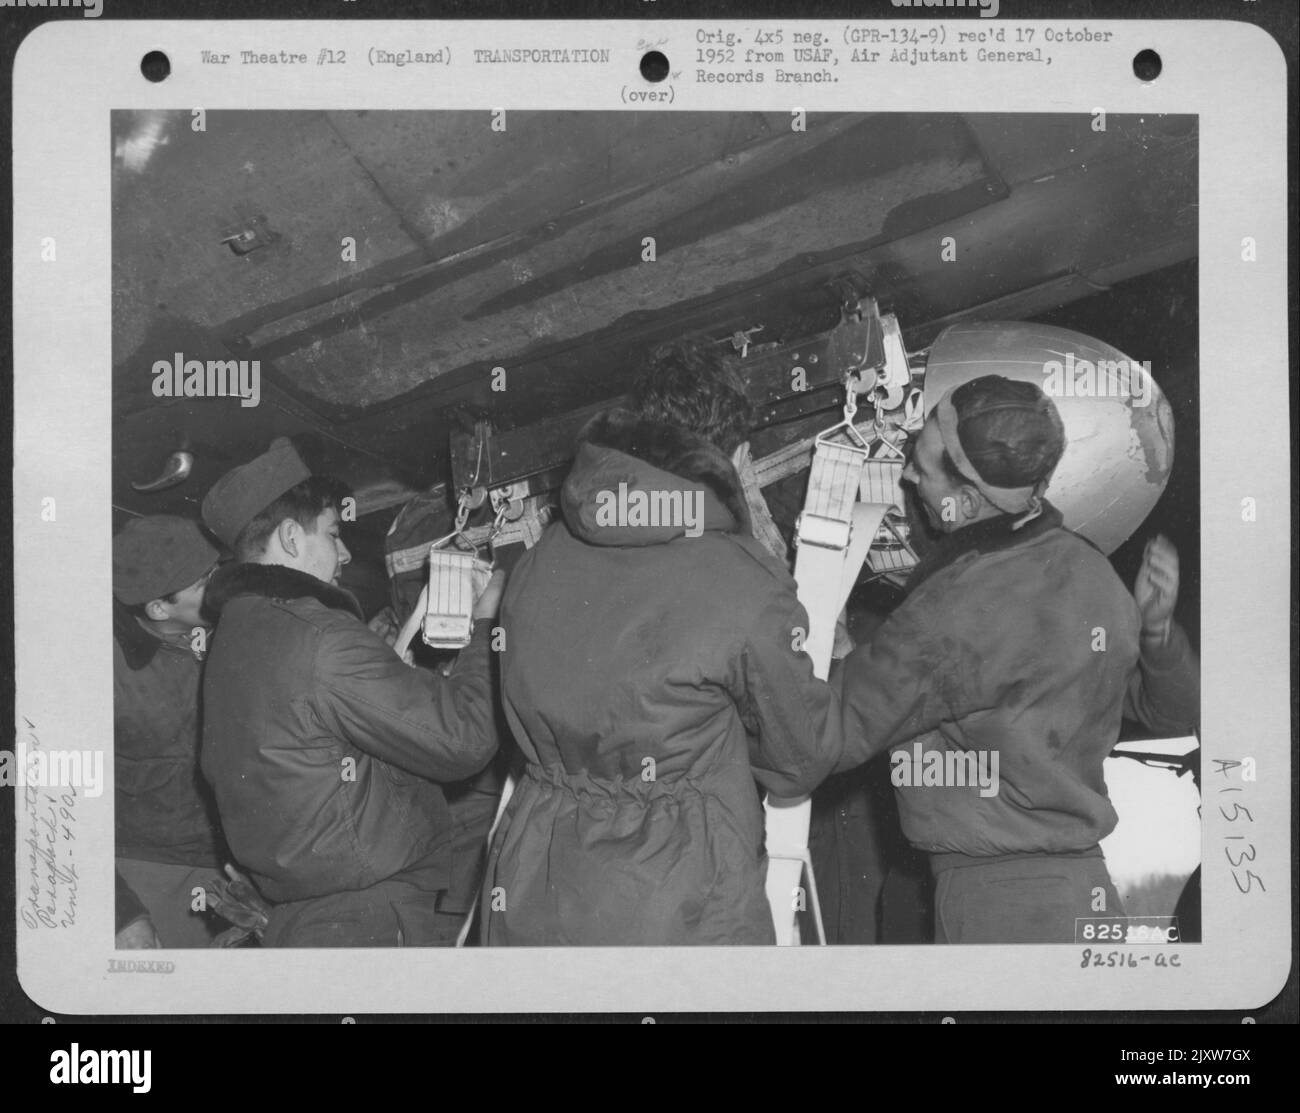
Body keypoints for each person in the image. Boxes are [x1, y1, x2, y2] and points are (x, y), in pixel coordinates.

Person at [481, 340, 843, 945]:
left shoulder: (540, 559)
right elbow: (798, 760)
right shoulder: (743, 584)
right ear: (741, 458)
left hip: (533, 882)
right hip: (682, 900)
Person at [836, 374, 1141, 944]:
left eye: (921, 468)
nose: (905, 474)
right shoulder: (1096, 575)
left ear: (968, 498)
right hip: (1085, 891)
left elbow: (820, 735)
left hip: (995, 907)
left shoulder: (950, 608)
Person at [199, 437, 503, 946]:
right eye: (334, 534)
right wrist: (487, 623)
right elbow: (464, 739)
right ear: (292, 538)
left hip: (297, 913)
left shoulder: (233, 636)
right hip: (368, 917)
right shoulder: (319, 635)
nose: (343, 554)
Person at [112, 514, 225, 948]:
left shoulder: (231, 633)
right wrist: (121, 913)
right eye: (205, 583)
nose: (223, 587)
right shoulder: (102, 667)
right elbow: (60, 806)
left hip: (231, 869)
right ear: (159, 609)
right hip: (148, 872)